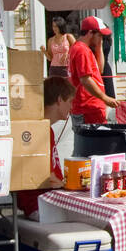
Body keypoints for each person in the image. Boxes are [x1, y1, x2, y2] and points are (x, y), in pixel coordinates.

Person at [16, 75, 73, 218]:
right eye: (70, 101)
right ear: (59, 100)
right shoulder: (38, 131)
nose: (72, 107)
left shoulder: (47, 129)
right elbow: (47, 177)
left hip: (46, 200)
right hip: (39, 203)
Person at [67, 15, 119, 127]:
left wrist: (98, 46)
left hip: (90, 107)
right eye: (100, 35)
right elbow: (85, 79)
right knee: (93, 143)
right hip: (87, 108)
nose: (101, 38)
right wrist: (105, 98)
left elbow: (100, 70)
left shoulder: (82, 48)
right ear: (90, 33)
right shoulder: (81, 50)